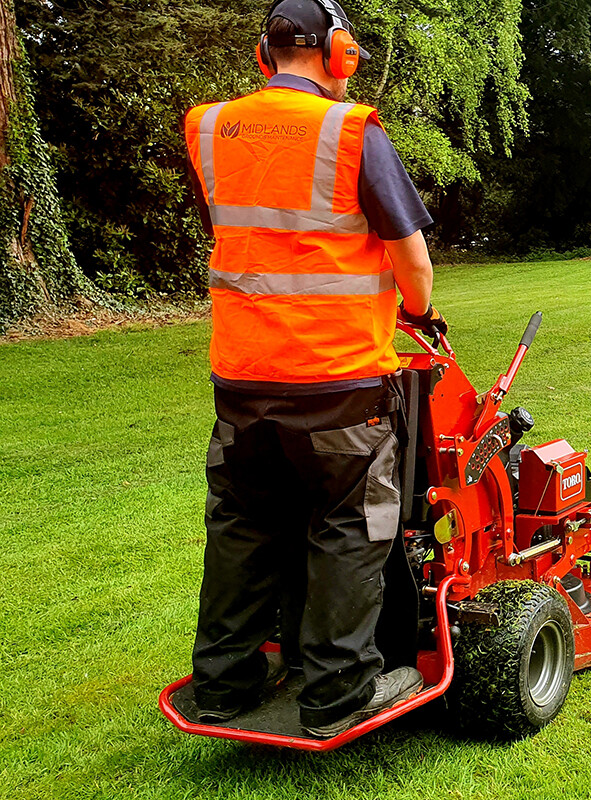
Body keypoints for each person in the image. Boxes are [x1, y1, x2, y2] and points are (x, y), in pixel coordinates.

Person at [181, 0, 447, 739]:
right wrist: (419, 310)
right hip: (336, 382)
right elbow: (412, 266)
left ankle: (224, 685)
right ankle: (337, 693)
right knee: (349, 527)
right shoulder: (352, 130)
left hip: (240, 378)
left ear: (262, 54)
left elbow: (247, 235)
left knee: (241, 523)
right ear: (338, 55)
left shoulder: (207, 127)